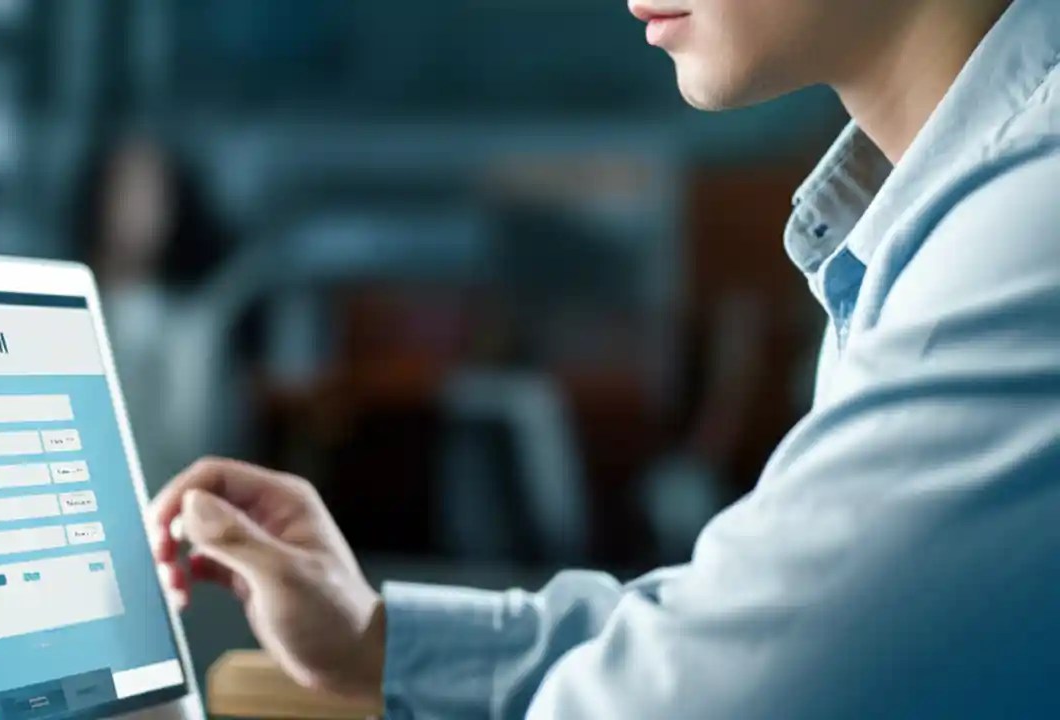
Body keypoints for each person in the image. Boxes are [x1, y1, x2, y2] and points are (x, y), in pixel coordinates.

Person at [148, 0, 1060, 716]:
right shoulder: (937, 222)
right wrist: (378, 643)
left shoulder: (1028, 236)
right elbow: (745, 636)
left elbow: (710, 700)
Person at [74, 132, 255, 489]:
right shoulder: (68, 312)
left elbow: (204, 446)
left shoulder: (197, 328)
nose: (137, 209)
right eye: (126, 190)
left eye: (152, 194)